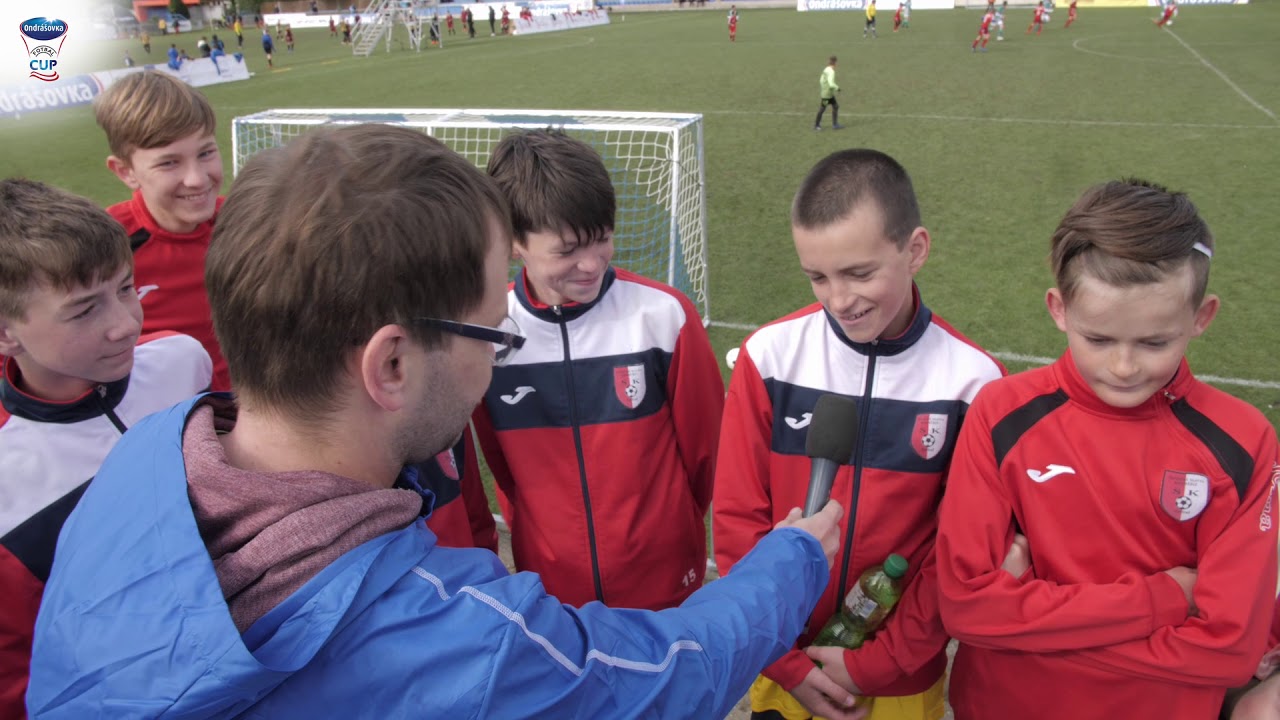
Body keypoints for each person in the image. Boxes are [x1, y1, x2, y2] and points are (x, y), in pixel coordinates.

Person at [27, 123, 849, 719]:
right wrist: (794, 561)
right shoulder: (464, 640)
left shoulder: (124, 484)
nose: (498, 358)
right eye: (491, 329)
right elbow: (668, 676)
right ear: (390, 365)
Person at [935, 179, 1279, 720]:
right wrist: (1166, 598)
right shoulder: (1001, 415)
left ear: (1201, 317)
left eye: (1154, 342)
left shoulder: (1243, 440)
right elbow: (967, 610)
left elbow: (1229, 651)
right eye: (1098, 339)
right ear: (1059, 309)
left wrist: (1027, 620)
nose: (1123, 367)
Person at [714, 149, 1005, 720]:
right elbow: (737, 519)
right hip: (783, 665)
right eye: (818, 277)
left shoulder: (974, 382)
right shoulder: (770, 356)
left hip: (899, 679)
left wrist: (881, 663)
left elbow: (957, 553)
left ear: (915, 249)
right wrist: (787, 663)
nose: (839, 300)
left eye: (859, 273)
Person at [469, 130, 725, 611]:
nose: (591, 264)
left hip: (664, 579)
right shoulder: (489, 333)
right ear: (514, 242)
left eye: (602, 239)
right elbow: (501, 468)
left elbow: (706, 455)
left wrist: (667, 530)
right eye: (566, 250)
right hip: (551, 588)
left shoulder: (664, 317)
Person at [0, 179, 211, 720]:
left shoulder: (182, 363)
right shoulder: (9, 479)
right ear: (6, 333)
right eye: (83, 309)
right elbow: (17, 674)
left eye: (126, 288)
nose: (124, 325)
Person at [95, 70, 230, 392]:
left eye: (205, 153)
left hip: (256, 412)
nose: (196, 178)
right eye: (169, 163)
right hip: (166, 424)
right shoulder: (103, 245)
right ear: (126, 171)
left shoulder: (248, 220)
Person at [814, 55, 843, 131]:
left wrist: (823, 87)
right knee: (822, 109)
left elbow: (821, 80)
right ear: (835, 63)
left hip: (828, 93)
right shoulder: (831, 72)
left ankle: (835, 124)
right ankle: (817, 125)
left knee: (836, 106)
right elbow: (831, 83)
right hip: (827, 95)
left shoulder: (826, 69)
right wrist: (838, 88)